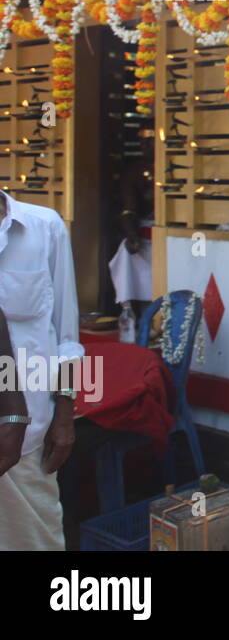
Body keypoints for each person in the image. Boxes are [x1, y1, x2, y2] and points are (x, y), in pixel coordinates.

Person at [0, 188, 81, 550]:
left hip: (27, 434)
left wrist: (66, 411)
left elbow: (67, 336)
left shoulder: (44, 226)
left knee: (34, 541)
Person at [109, 127, 155, 331]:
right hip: (145, 233)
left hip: (176, 235)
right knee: (127, 257)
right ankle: (140, 321)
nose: (144, 146)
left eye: (150, 141)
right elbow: (129, 209)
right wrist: (131, 234)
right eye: (142, 142)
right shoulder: (135, 170)